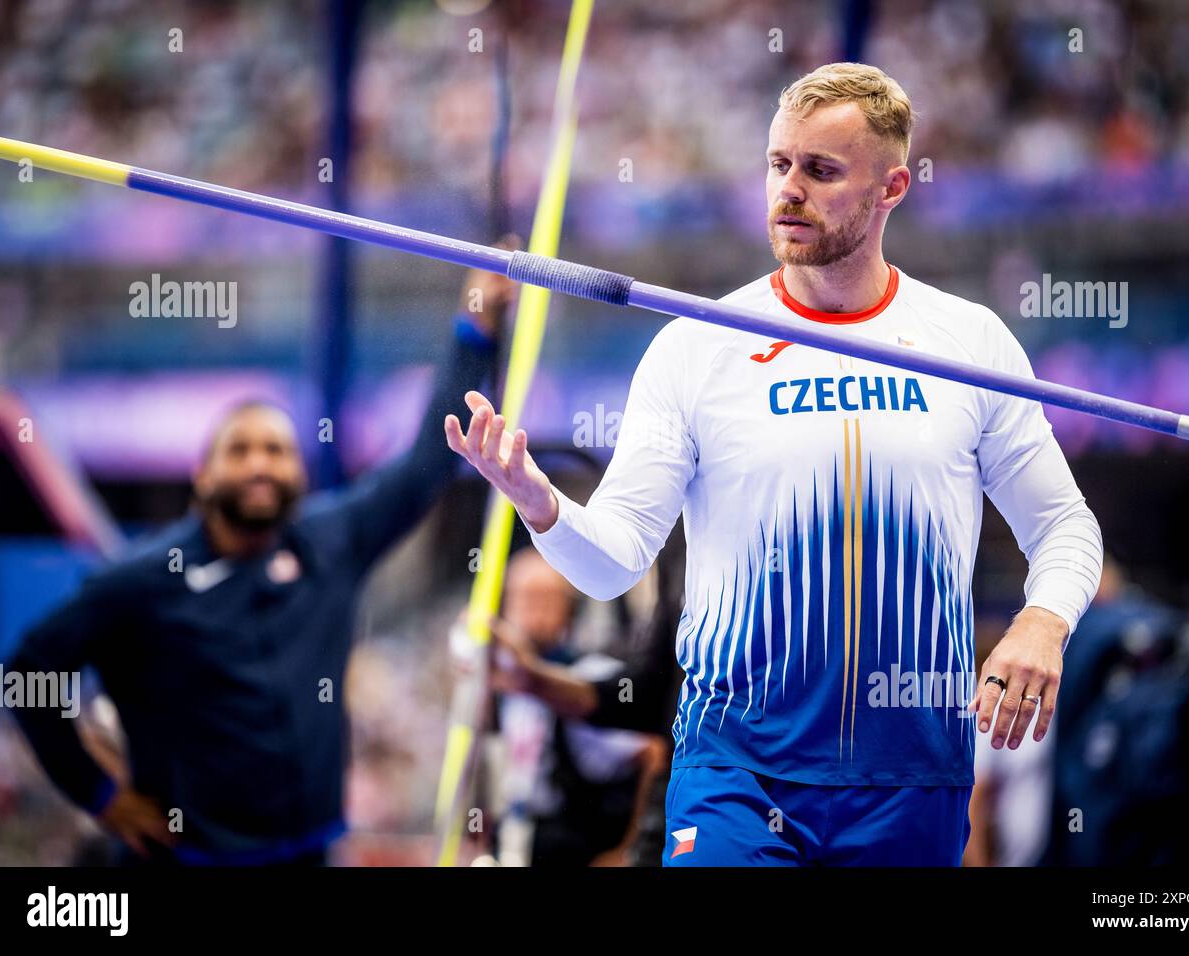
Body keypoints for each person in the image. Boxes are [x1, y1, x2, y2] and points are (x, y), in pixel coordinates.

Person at [445, 63, 1104, 866]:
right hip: (737, 769)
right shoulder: (696, 346)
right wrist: (539, 501)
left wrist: (1044, 620)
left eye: (822, 171)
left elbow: (1064, 525)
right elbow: (614, 562)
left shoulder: (968, 344)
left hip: (912, 776)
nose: (789, 190)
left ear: (892, 188)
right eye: (778, 164)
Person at [7, 252, 515, 865]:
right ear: (202, 475)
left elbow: (424, 466)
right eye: (239, 450)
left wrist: (473, 328)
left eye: (276, 450)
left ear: (299, 470)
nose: (259, 465)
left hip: (312, 855)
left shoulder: (331, 540)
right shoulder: (142, 579)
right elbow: (25, 673)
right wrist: (101, 796)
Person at [488, 548, 659, 867]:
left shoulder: (591, 676)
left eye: (543, 601)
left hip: (577, 845)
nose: (530, 614)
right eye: (520, 600)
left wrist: (631, 848)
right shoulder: (499, 686)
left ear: (569, 609)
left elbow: (654, 752)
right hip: (517, 841)